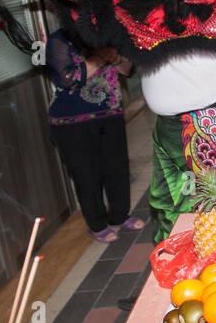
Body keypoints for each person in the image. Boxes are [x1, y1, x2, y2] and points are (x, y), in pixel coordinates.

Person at [44, 26, 143, 243]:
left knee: (117, 168)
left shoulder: (108, 34)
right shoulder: (59, 39)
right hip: (72, 121)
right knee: (86, 173)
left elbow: (128, 70)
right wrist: (100, 58)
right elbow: (67, 78)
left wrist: (115, 57)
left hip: (110, 113)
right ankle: (97, 224)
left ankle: (119, 215)